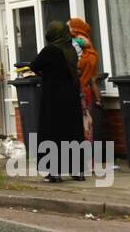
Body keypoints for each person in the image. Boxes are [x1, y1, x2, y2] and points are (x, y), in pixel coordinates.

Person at [27, 21, 86, 182]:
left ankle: (54, 172)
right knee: (73, 131)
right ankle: (77, 170)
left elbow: (33, 66)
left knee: (52, 132)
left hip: (53, 97)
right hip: (71, 96)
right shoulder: (71, 50)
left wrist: (44, 74)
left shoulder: (50, 50)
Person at [68, 17, 101, 153]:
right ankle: (88, 160)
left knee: (81, 126)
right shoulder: (91, 53)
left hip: (79, 90)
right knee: (87, 125)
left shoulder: (78, 45)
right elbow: (93, 80)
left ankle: (83, 159)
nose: (67, 29)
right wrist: (98, 99)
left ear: (75, 29)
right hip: (86, 90)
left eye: (69, 26)